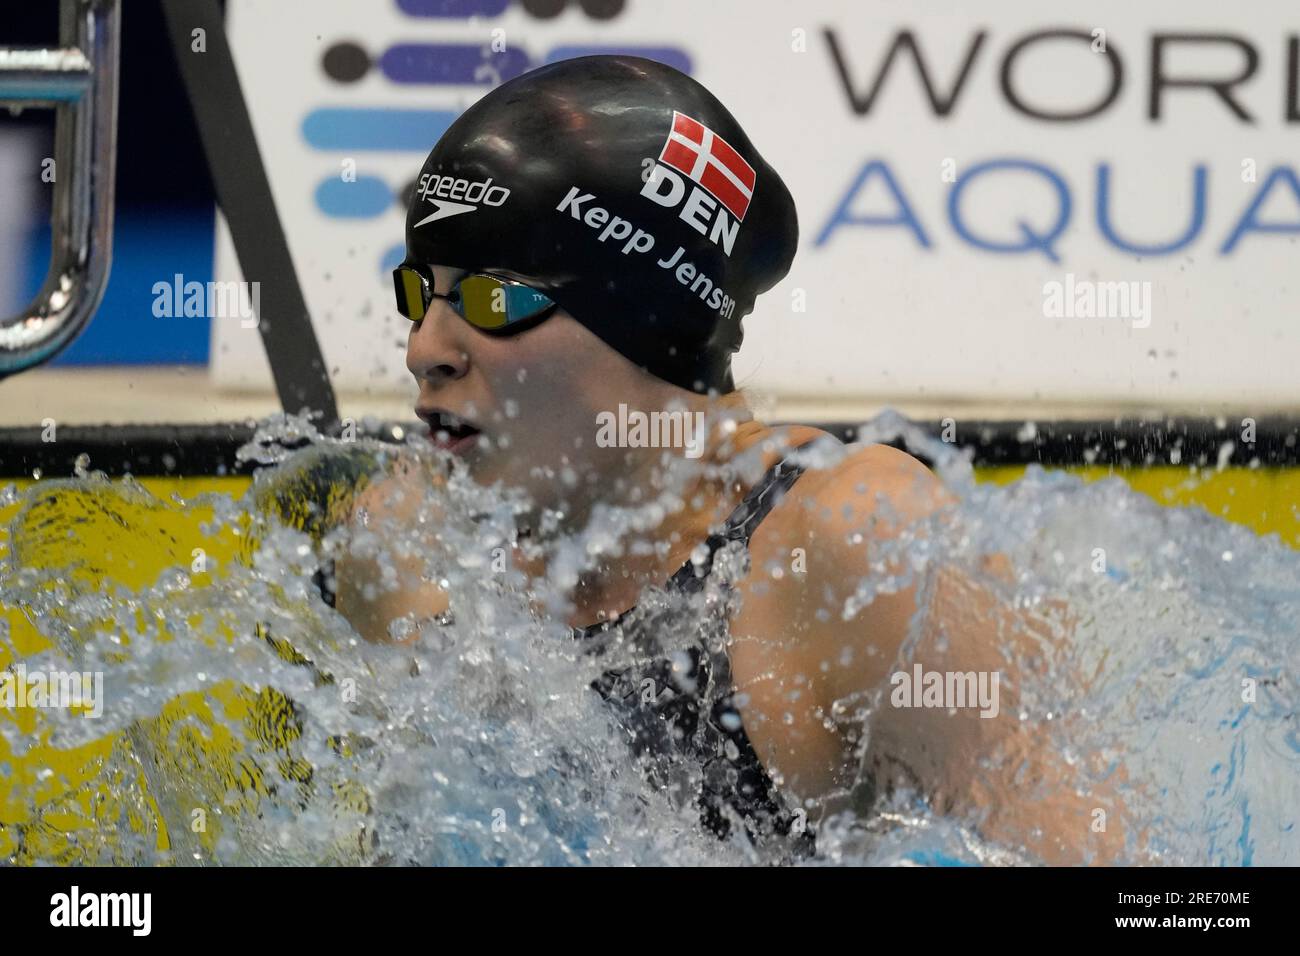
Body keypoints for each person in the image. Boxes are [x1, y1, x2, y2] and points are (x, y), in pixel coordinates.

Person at [337, 55, 1125, 864]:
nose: (423, 348)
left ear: (647, 320)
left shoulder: (846, 550)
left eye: (491, 300)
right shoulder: (411, 554)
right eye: (418, 294)